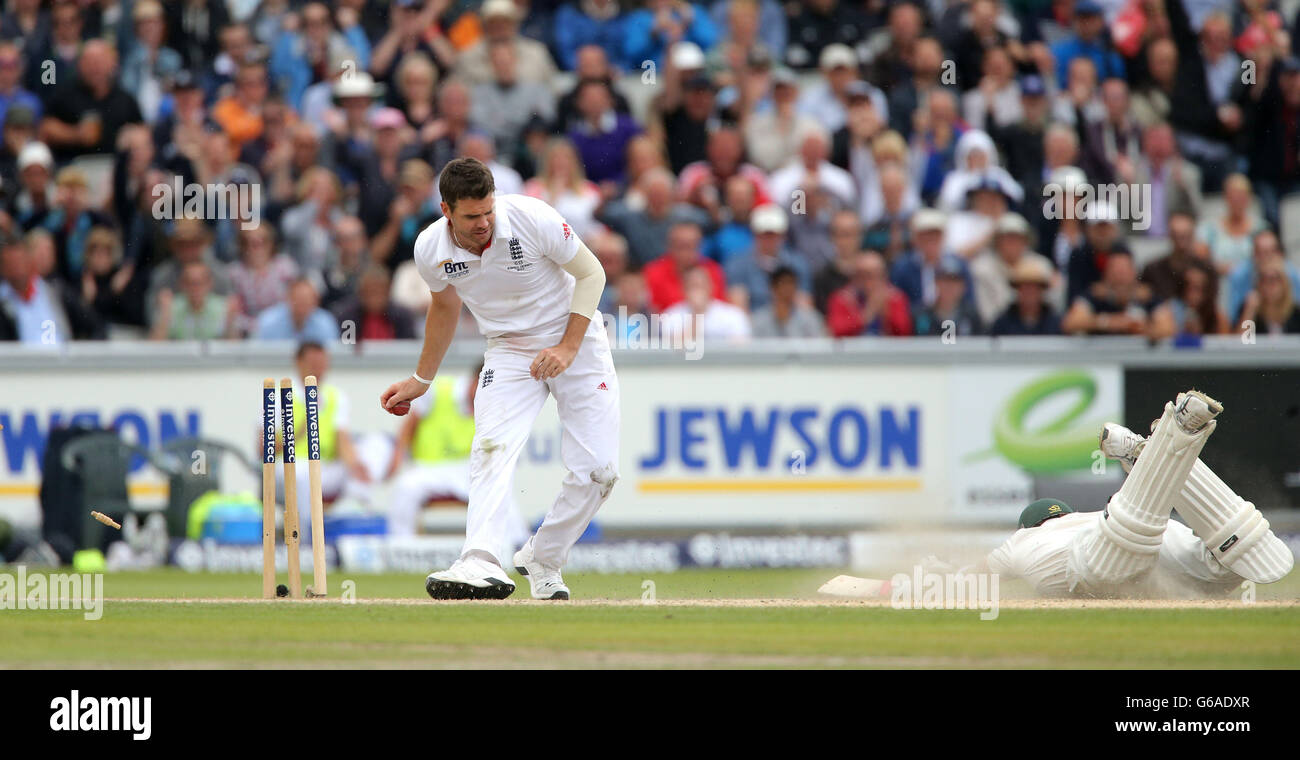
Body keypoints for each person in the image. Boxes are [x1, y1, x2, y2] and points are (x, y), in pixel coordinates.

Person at [381, 157, 618, 601]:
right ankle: (481, 560)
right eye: (472, 216)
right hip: (508, 350)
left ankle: (543, 558)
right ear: (446, 210)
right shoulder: (431, 248)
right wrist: (421, 379)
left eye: (488, 211)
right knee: (491, 448)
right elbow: (445, 308)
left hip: (577, 338)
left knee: (600, 472)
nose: (484, 223)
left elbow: (592, 274)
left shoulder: (532, 217)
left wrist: (567, 347)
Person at [988, 391, 1293, 598]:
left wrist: (945, 569)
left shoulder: (1021, 541)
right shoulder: (1082, 519)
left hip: (1101, 556)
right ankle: (1141, 453)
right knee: (1225, 567)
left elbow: (980, 572)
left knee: (1125, 540)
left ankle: (1156, 446)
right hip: (1149, 545)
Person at [385, 362, 529, 553]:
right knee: (405, 487)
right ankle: (400, 548)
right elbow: (409, 426)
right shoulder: (439, 391)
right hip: (428, 469)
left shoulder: (496, 404)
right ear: (475, 381)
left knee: (501, 492)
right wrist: (398, 455)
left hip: (467, 469)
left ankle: (520, 550)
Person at [826, 250, 912, 337]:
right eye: (861, 275)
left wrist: (886, 313)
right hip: (854, 349)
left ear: (883, 276)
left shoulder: (895, 297)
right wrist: (866, 315)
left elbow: (903, 332)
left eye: (871, 275)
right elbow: (836, 331)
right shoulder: (842, 298)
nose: (866, 281)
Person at [1147, 260, 1228, 341]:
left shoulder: (1217, 318)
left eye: (1198, 289)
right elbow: (1154, 332)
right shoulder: (1168, 312)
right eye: (1188, 287)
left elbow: (1226, 346)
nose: (1192, 295)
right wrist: (1178, 331)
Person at [990, 257, 1062, 336]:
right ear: (1018, 290)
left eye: (1034, 288)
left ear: (1041, 290)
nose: (1029, 294)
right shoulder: (1002, 323)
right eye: (1025, 288)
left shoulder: (1055, 322)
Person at [750, 266, 826, 338]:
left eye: (791, 284)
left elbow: (819, 346)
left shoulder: (810, 318)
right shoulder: (759, 320)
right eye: (783, 284)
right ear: (772, 288)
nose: (787, 289)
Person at [1237, 258, 1300, 335]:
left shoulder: (1296, 313)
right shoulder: (1249, 310)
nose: (1268, 285)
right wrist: (1249, 312)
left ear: (1284, 283)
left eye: (1273, 279)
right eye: (1263, 279)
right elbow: (1241, 343)